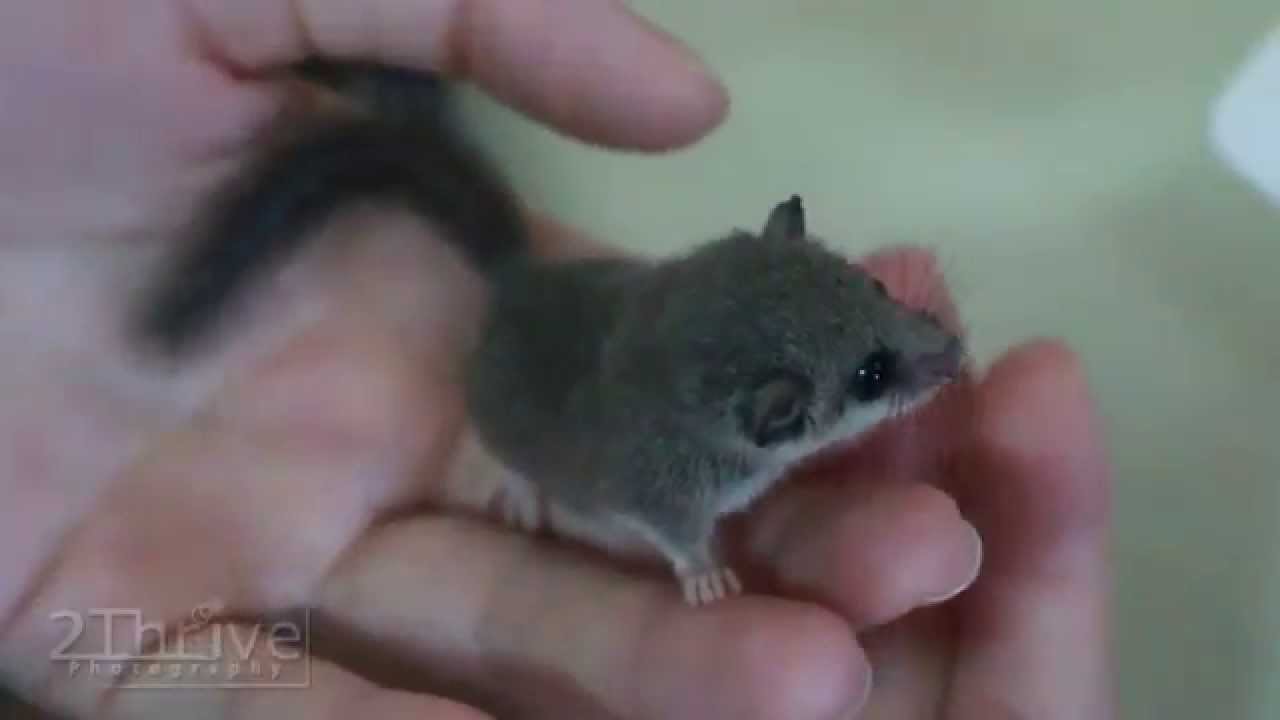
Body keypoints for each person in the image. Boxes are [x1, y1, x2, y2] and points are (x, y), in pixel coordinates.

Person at [0, 1, 1113, 718]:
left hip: (589, 320)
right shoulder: (689, 470)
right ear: (773, 421)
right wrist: (689, 560)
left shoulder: (708, 315)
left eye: (876, 313)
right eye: (874, 378)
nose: (926, 351)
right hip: (552, 379)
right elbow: (662, 501)